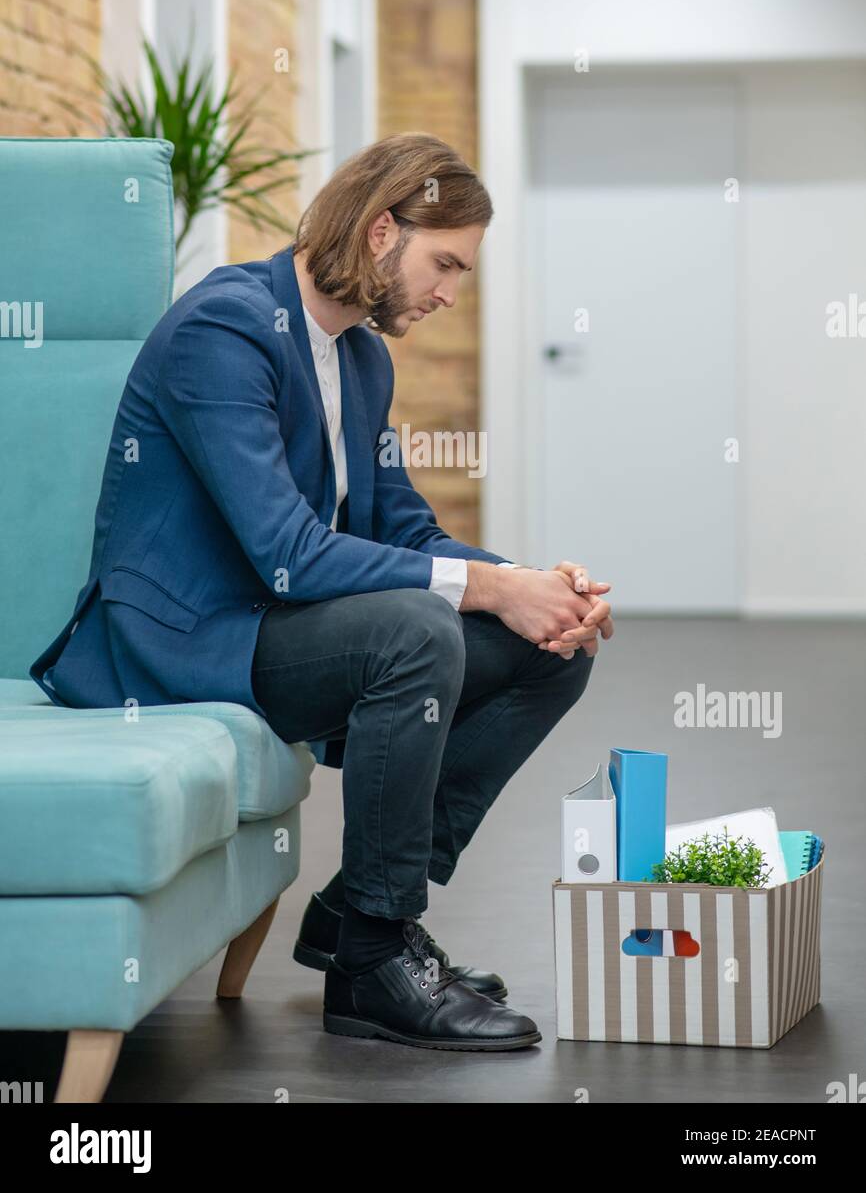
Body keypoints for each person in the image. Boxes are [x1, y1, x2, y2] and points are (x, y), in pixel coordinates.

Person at [30, 132, 613, 1052]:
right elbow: (289, 555)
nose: (451, 294)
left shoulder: (362, 360)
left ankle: (351, 917)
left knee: (549, 652)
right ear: (383, 230)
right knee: (418, 631)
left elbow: (403, 531)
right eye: (444, 263)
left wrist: (535, 588)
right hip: (178, 642)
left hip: (272, 629)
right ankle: (377, 960)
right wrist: (490, 587)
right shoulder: (225, 328)